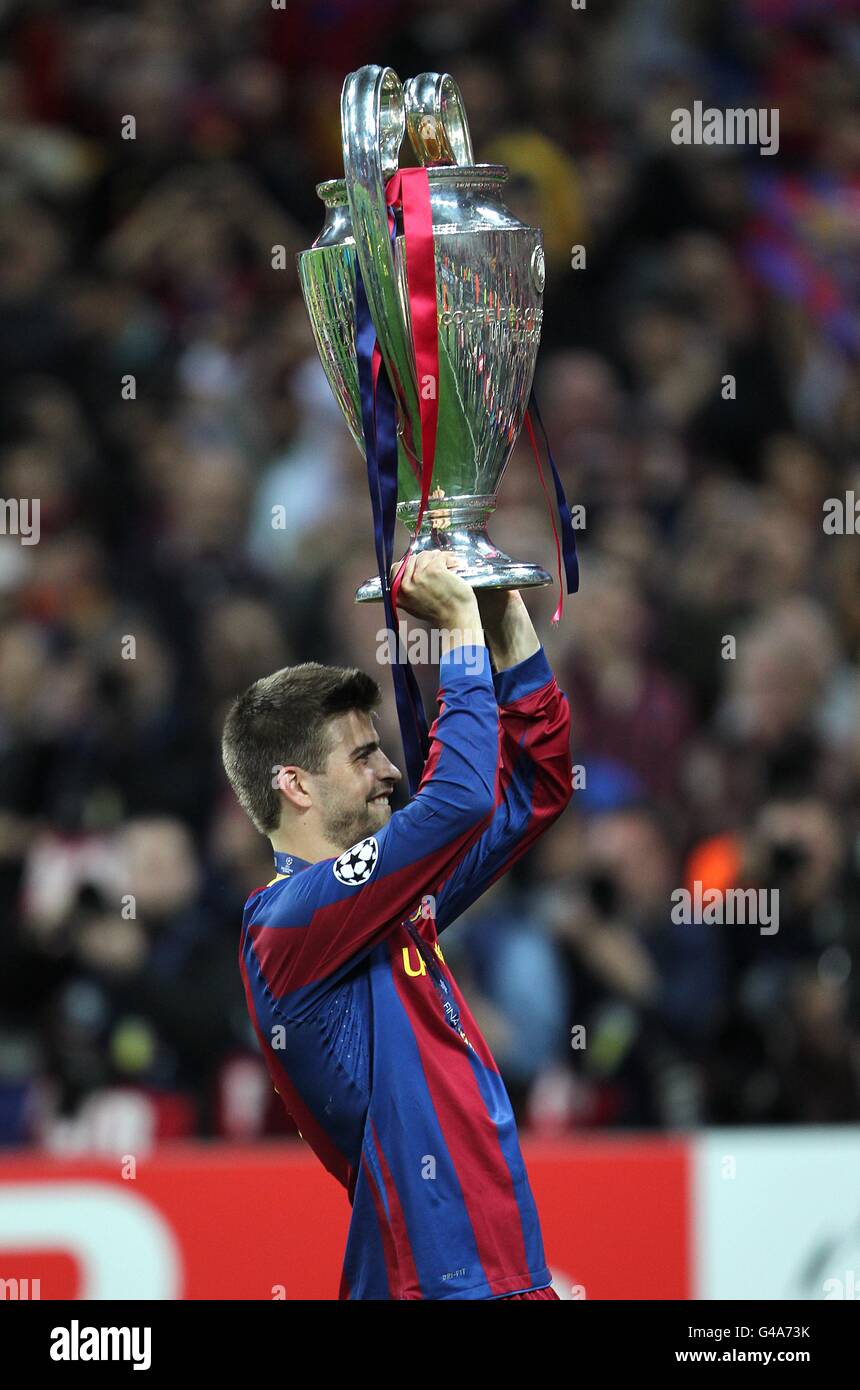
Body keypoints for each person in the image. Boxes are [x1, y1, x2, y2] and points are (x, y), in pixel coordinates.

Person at [221, 551, 573, 1300]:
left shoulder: (393, 904)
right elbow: (460, 800)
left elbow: (533, 790)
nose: (389, 771)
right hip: (432, 1286)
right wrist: (458, 636)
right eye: (364, 754)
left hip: (505, 1273)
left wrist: (504, 619)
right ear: (296, 786)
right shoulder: (288, 926)